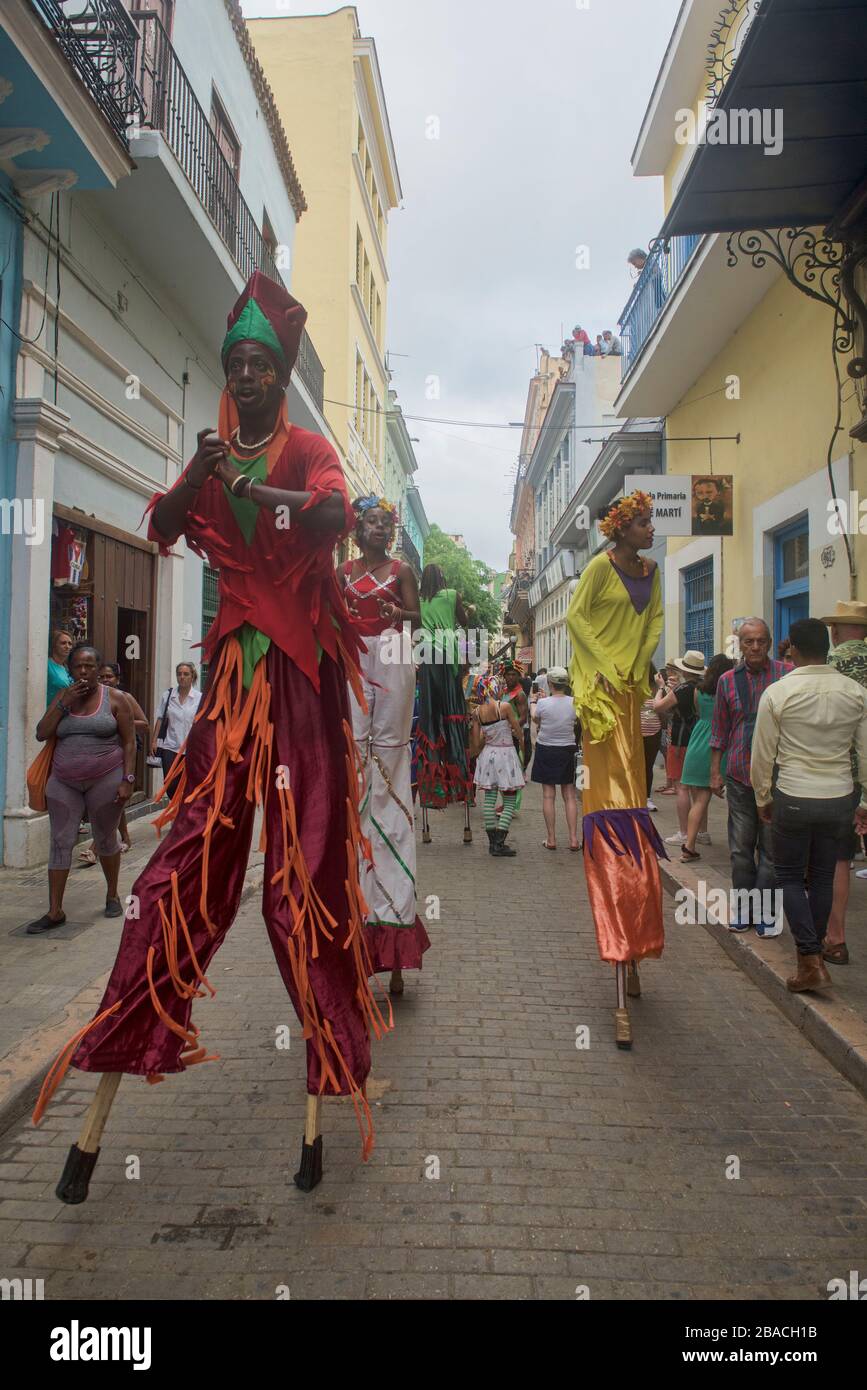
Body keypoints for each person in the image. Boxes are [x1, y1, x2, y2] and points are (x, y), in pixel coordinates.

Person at [33, 272, 386, 1161]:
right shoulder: (215, 452)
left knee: (301, 881)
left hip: (300, 685)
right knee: (184, 868)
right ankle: (125, 1043)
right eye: (236, 363)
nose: (247, 374)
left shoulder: (304, 448)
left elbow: (336, 510)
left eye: (261, 362)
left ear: (281, 372)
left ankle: (326, 1075)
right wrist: (200, 465)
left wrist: (273, 496)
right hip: (232, 681)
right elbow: (159, 527)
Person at [566, 491, 665, 1048]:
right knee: (611, 807)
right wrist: (607, 671)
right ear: (622, 527)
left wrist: (636, 673)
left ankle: (637, 942)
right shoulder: (599, 569)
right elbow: (579, 626)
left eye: (652, 520)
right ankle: (621, 941)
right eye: (644, 521)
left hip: (631, 692)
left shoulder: (651, 571)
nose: (652, 528)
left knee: (636, 802)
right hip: (601, 695)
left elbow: (653, 625)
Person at [340, 496, 429, 999]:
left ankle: (392, 794)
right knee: (355, 755)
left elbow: (417, 623)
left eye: (386, 523)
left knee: (390, 757)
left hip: (393, 651)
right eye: (372, 522)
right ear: (358, 529)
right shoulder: (343, 573)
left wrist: (401, 613)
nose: (381, 528)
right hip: (355, 657)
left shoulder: (402, 569)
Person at [751, 618, 867, 993]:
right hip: (838, 797)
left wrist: (762, 796)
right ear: (828, 646)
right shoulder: (855, 692)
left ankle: (809, 957)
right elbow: (865, 753)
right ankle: (813, 957)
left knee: (788, 876)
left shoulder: (779, 692)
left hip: (794, 795)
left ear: (794, 650)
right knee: (821, 878)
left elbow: (763, 754)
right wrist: (864, 801)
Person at [26, 643, 136, 934]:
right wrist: (64, 704)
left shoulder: (115, 698)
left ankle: (112, 894)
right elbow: (40, 732)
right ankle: (54, 911)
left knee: (105, 837)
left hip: (106, 777)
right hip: (64, 780)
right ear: (71, 669)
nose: (84, 671)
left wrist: (128, 780)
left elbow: (128, 741)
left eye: (90, 666)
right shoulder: (64, 697)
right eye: (78, 666)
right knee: (60, 841)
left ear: (99, 670)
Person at [710, 618, 790, 933]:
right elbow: (719, 729)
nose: (754, 647)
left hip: (777, 777)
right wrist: (715, 773)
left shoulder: (785, 676)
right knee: (741, 849)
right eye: (748, 641)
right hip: (740, 776)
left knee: (771, 850)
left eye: (760, 641)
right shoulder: (728, 681)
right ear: (739, 644)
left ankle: (766, 910)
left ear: (769, 643)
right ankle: (743, 909)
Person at [823, 601, 867, 959]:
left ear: (835, 631)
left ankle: (835, 937)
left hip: (841, 776)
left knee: (837, 858)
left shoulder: (831, 668)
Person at [415, 564, 472, 813]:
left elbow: (416, 630)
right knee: (453, 714)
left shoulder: (417, 601)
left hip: (427, 657)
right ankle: (459, 785)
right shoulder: (452, 595)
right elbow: (464, 620)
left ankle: (432, 787)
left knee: (431, 717)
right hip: (448, 656)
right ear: (442, 578)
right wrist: (468, 610)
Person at [80, 664, 149, 863]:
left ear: (117, 679)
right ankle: (125, 837)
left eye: (109, 676)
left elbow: (144, 724)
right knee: (115, 801)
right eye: (101, 677)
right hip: (100, 757)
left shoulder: (124, 698)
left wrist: (120, 722)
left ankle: (95, 848)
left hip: (122, 756)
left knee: (111, 801)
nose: (105, 680)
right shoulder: (92, 701)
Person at [679, 654, 735, 863]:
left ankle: (689, 845)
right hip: (724, 743)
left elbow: (699, 712)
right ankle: (739, 848)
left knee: (700, 799)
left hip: (699, 741)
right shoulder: (730, 689)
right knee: (736, 800)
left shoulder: (698, 691)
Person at [653, 651, 706, 847]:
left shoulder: (683, 689)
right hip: (700, 738)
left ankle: (684, 832)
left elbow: (658, 707)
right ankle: (702, 832)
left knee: (681, 786)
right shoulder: (704, 687)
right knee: (699, 788)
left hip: (681, 739)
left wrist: (661, 688)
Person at [470, 673, 525, 857]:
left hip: (487, 757)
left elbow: (477, 744)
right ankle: (499, 843)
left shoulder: (477, 712)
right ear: (496, 689)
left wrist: (487, 737)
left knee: (489, 800)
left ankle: (492, 843)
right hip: (506, 755)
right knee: (509, 800)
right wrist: (522, 748)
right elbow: (518, 732)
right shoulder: (505, 707)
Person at [532, 666, 580, 851]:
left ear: (550, 683)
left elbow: (536, 719)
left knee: (548, 795)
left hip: (547, 748)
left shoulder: (543, 703)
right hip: (567, 748)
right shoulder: (575, 702)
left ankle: (551, 838)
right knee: (569, 795)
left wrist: (533, 702)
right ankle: (573, 839)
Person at [152, 663, 202, 781]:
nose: (182, 677)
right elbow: (160, 718)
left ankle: (182, 800)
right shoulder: (168, 695)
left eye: (186, 674)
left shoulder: (199, 697)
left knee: (189, 782)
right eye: (179, 674)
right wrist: (154, 741)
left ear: (192, 676)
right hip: (170, 746)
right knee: (170, 783)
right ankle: (174, 799)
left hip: (191, 747)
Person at [640, 663, 663, 811]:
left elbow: (661, 707)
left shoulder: (657, 687)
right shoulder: (633, 687)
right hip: (637, 733)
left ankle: (646, 797)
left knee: (647, 766)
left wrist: (662, 687)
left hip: (653, 732)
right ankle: (640, 796)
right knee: (640, 766)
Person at [47, 629, 74, 707]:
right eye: (63, 643)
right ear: (54, 645)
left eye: (70, 644)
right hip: (48, 712)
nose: (67, 646)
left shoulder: (66, 668)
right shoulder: (47, 665)